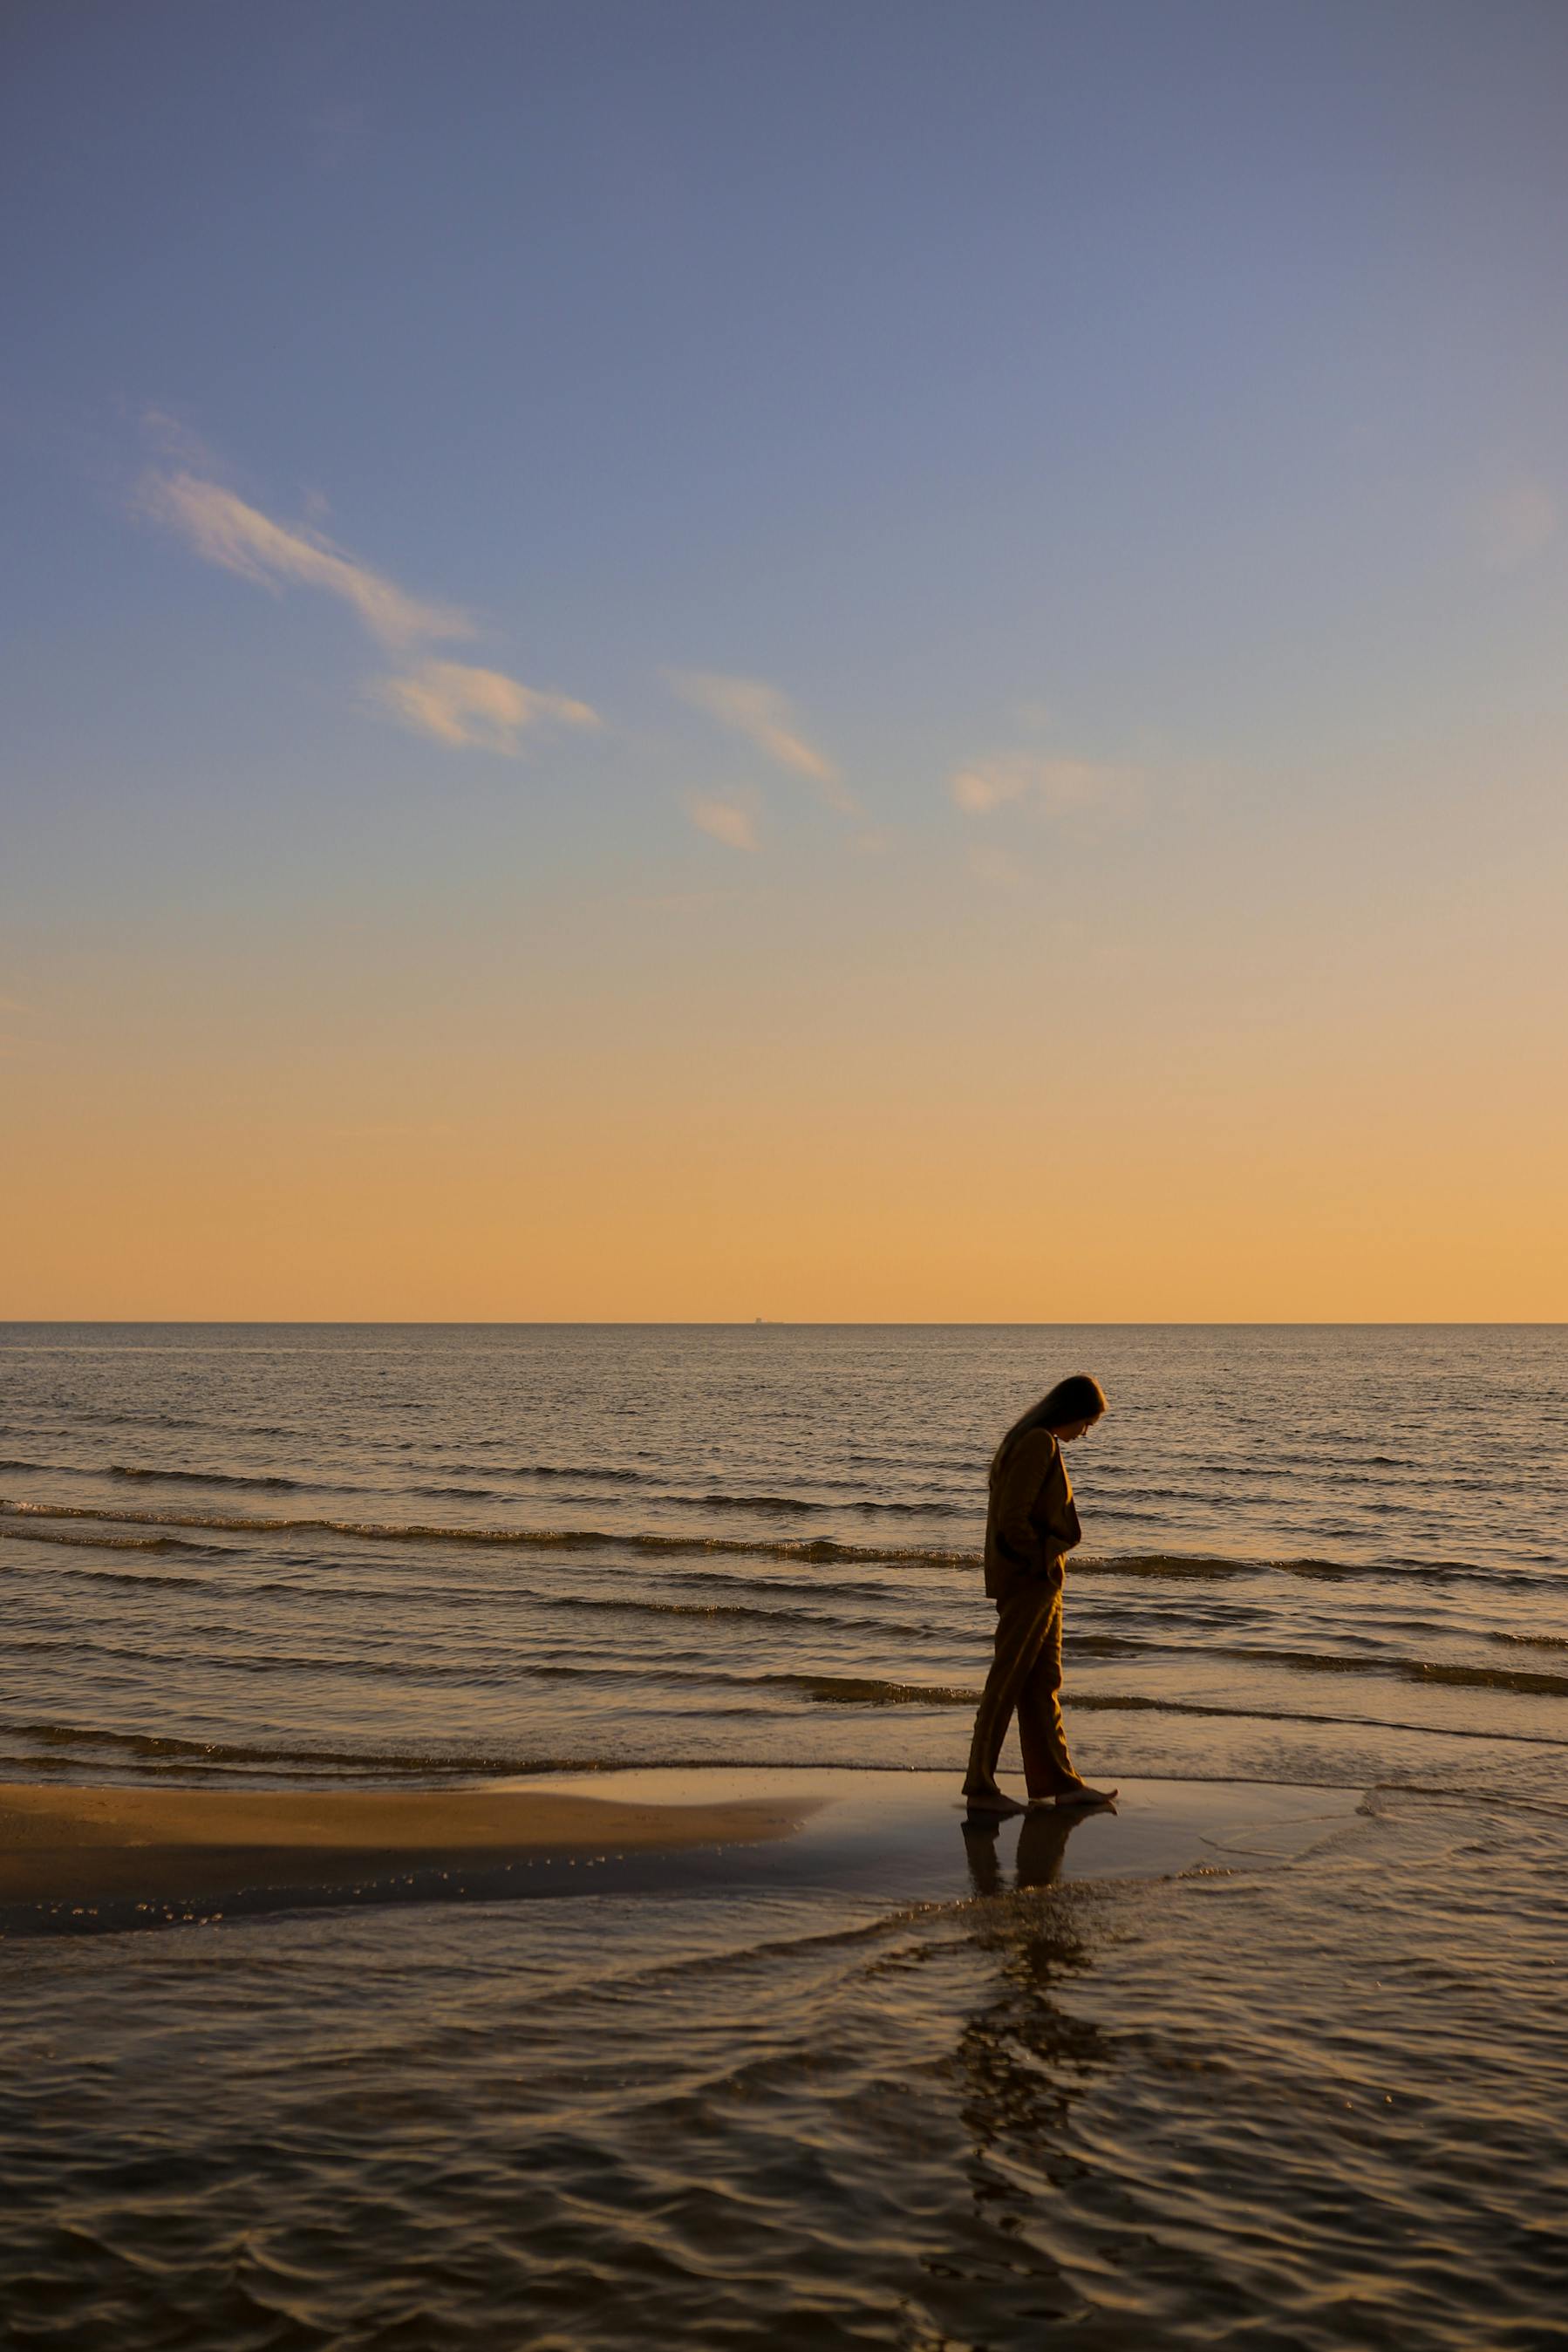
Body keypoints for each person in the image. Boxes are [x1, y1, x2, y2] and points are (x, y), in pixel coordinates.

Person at [962, 1373, 1117, 1816]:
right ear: (1069, 1412)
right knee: (1008, 1681)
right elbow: (1013, 1520)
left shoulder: (1031, 1440)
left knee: (1042, 1683)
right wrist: (1039, 1562)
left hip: (1038, 1579)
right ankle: (979, 1786)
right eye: (1086, 1423)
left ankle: (1061, 1783)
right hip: (1031, 1580)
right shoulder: (1038, 1443)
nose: (1085, 1434)